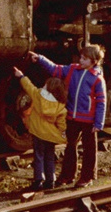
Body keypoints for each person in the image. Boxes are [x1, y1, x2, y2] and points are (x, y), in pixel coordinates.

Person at [27, 44, 106, 188]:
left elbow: (101, 101)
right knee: (70, 147)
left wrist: (98, 122)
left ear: (94, 61)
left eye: (84, 59)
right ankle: (67, 175)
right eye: (81, 57)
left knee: (89, 149)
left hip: (88, 120)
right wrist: (40, 59)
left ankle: (87, 177)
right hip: (71, 117)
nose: (81, 60)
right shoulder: (72, 69)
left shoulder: (97, 79)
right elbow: (55, 69)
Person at [12, 67, 67, 191]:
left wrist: (21, 76)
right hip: (51, 135)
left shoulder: (38, 95)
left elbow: (29, 86)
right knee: (50, 157)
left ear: (48, 88)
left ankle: (38, 181)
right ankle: (50, 181)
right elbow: (61, 123)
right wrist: (62, 133)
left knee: (39, 156)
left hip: (38, 133)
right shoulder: (60, 105)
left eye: (45, 85)